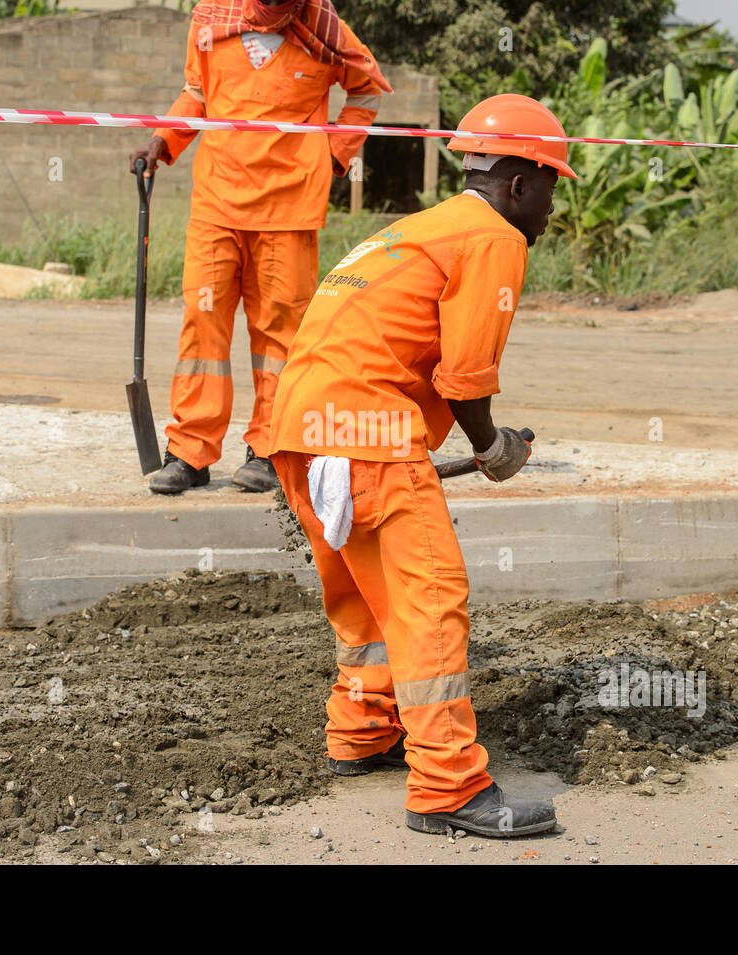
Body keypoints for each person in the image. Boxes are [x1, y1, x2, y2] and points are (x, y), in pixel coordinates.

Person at [269, 94, 577, 837]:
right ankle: (447, 785)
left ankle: (363, 729)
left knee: (363, 596)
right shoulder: (493, 236)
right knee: (430, 597)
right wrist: (493, 447)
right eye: (550, 190)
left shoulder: (417, 228)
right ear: (518, 183)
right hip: (370, 436)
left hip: (301, 428)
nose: (548, 211)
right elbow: (467, 376)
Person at [129, 0, 389, 494]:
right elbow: (196, 93)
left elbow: (368, 94)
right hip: (216, 203)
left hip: (289, 211)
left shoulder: (325, 31)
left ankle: (271, 449)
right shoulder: (210, 20)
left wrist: (332, 155)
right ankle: (189, 453)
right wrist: (162, 141)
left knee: (280, 335)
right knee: (202, 328)